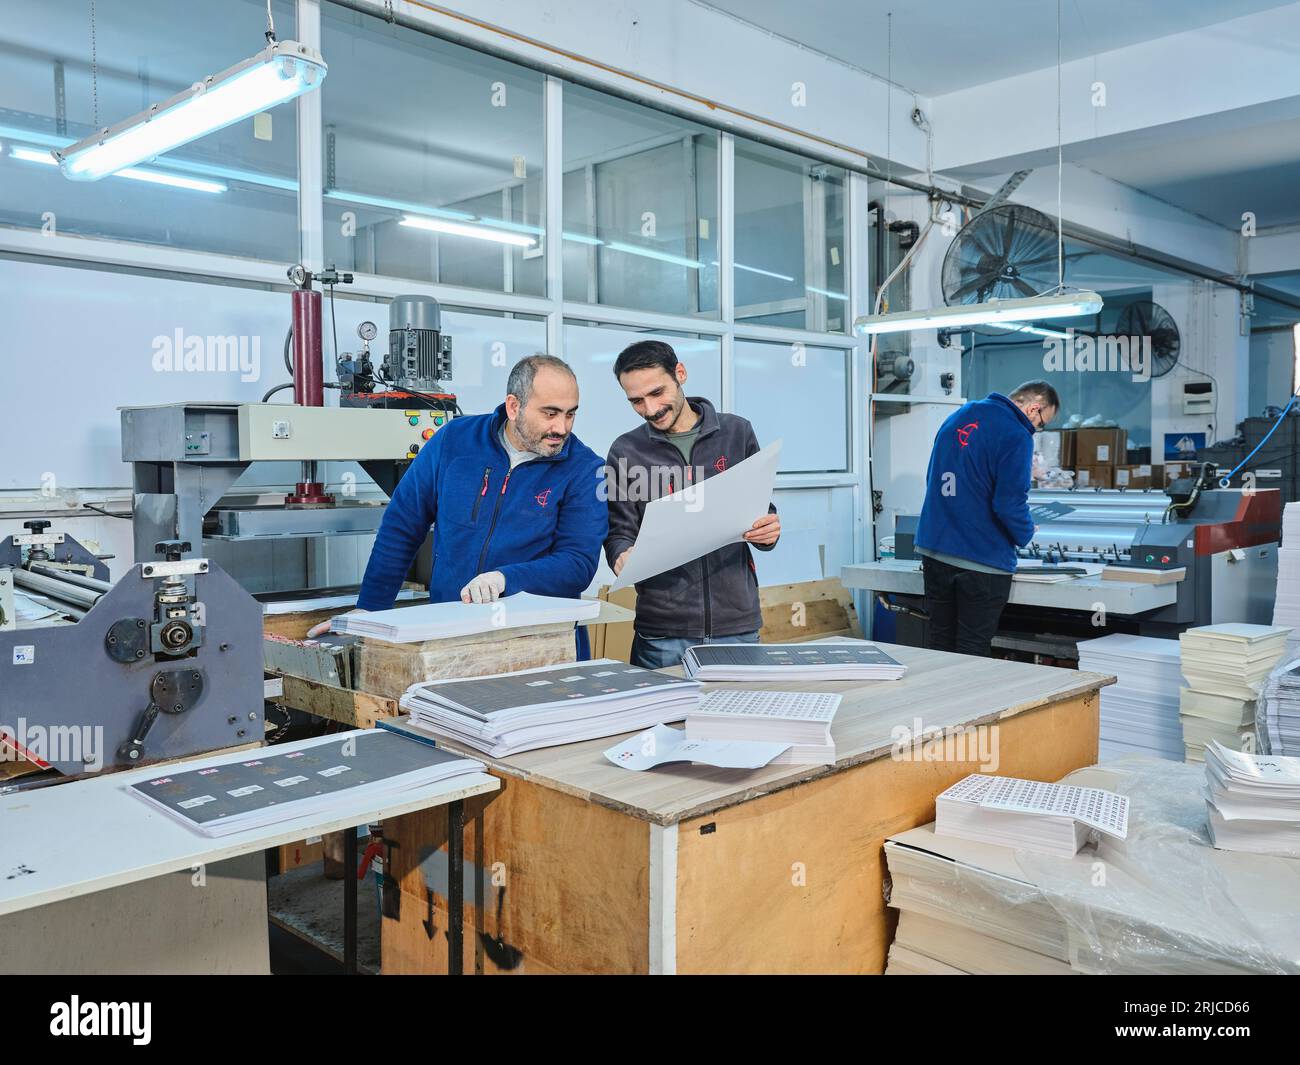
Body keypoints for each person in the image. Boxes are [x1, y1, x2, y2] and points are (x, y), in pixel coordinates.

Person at [312, 354, 608, 656]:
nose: (561, 427)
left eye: (570, 414)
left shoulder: (586, 469)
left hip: (540, 644)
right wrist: (370, 610)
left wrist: (506, 578)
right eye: (550, 413)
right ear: (514, 406)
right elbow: (402, 526)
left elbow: (577, 564)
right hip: (451, 635)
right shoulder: (455, 441)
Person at [604, 340, 780, 669]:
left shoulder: (736, 432)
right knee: (661, 721)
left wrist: (769, 529)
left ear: (680, 373)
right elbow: (619, 531)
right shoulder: (626, 451)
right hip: (663, 632)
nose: (650, 408)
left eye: (657, 393)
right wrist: (620, 555)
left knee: (740, 718)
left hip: (736, 624)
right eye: (636, 401)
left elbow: (761, 510)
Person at [913, 380, 1059, 657]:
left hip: (934, 549)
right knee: (972, 647)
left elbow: (935, 477)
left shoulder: (960, 414)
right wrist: (1026, 532)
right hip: (980, 559)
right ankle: (970, 701)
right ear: (1033, 409)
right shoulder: (1016, 433)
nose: (1037, 429)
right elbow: (1008, 503)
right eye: (1042, 423)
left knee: (940, 642)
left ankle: (941, 700)